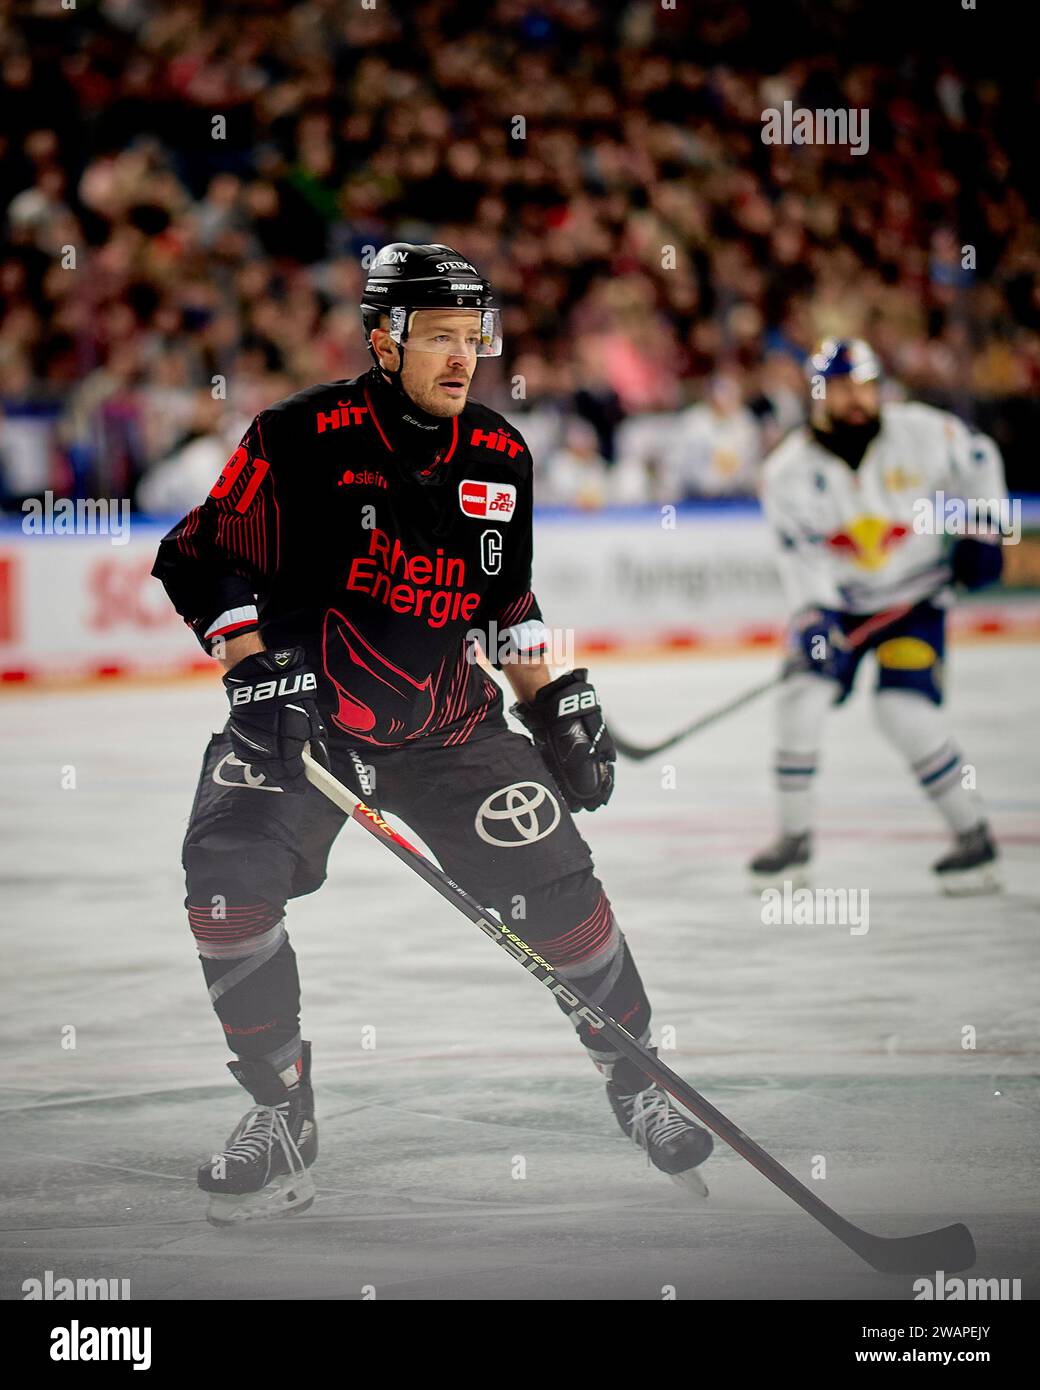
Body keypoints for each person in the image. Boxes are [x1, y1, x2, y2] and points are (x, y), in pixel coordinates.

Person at [152, 243, 713, 1224]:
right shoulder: (299, 438)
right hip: (303, 729)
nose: (464, 358)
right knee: (225, 888)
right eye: (440, 338)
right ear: (383, 339)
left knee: (558, 894)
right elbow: (198, 558)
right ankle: (282, 1108)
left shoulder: (497, 458)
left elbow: (506, 598)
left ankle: (636, 1077)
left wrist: (550, 699)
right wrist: (251, 669)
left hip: (450, 727)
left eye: (474, 338)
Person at [750, 338, 1006, 896]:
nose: (857, 399)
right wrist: (814, 617)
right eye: (842, 388)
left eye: (864, 386)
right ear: (818, 394)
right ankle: (794, 838)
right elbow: (800, 555)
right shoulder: (787, 472)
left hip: (914, 603)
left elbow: (981, 459)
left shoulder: (922, 432)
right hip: (838, 609)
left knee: (902, 711)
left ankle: (973, 835)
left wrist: (985, 524)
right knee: (800, 699)